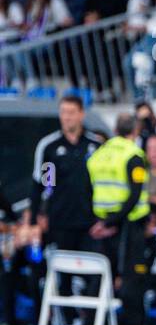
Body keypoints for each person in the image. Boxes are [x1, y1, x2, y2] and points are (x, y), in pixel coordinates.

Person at [86, 112, 149, 325]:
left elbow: (89, 190)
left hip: (102, 223)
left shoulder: (98, 154)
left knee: (102, 274)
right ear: (136, 131)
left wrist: (102, 222)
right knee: (132, 276)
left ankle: (93, 323)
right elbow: (134, 195)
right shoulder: (133, 154)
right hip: (127, 224)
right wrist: (114, 221)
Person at [25, 93, 102, 256]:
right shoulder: (50, 147)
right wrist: (35, 220)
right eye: (63, 112)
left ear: (81, 114)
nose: (67, 117)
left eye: (71, 112)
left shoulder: (94, 145)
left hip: (91, 222)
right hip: (60, 222)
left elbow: (102, 184)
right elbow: (44, 185)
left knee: (93, 272)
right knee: (63, 275)